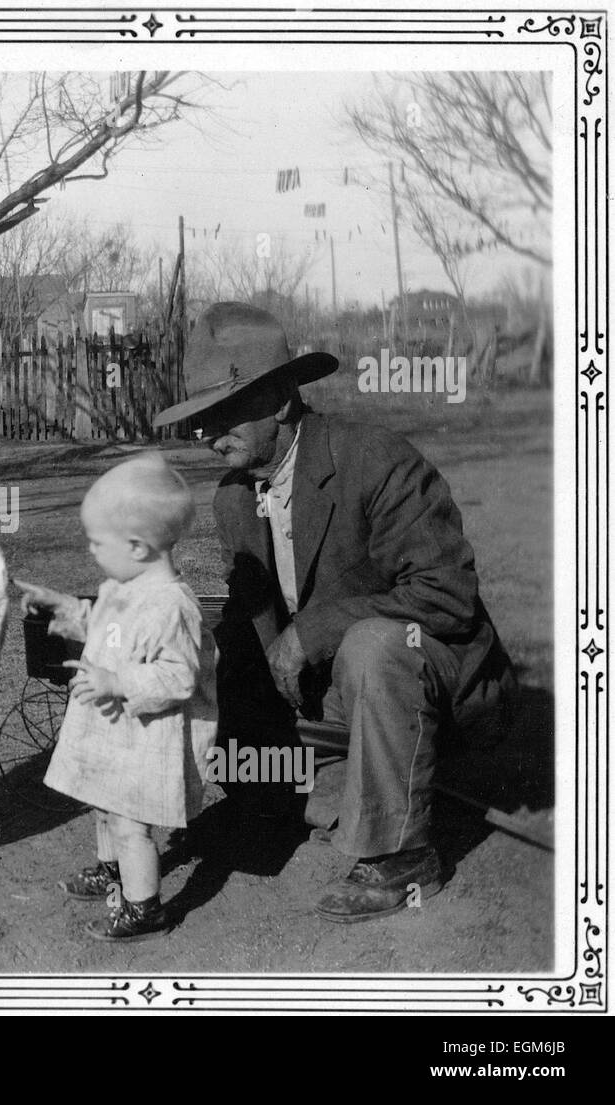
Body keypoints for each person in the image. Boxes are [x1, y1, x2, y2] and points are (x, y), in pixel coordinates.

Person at [153, 302, 516, 923]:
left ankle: (401, 855)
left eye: (223, 414)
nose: (209, 436)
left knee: (372, 643)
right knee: (214, 644)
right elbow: (252, 626)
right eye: (198, 422)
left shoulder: (374, 457)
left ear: (281, 399)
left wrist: (313, 631)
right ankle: (281, 802)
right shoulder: (235, 498)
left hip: (429, 680)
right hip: (334, 701)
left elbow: (447, 595)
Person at [17, 455, 218, 942]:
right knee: (104, 805)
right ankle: (113, 870)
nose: (91, 551)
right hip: (113, 732)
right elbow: (103, 628)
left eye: (97, 543)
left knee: (131, 825)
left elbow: (177, 679)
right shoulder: (123, 586)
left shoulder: (171, 606)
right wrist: (62, 606)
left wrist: (118, 682)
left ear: (137, 546)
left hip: (147, 739)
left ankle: (144, 907)